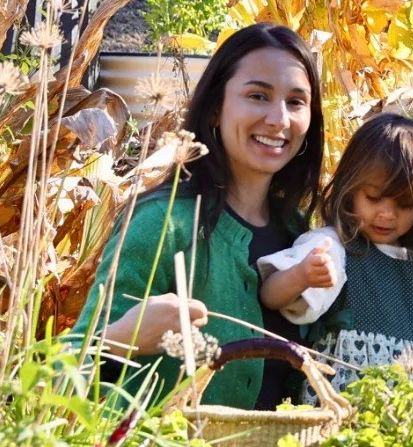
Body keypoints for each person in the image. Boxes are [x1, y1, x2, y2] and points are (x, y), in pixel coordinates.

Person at [71, 22, 325, 409]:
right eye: (258, 96)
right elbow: (66, 372)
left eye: (296, 102)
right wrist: (124, 338)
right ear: (215, 110)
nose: (279, 119)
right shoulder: (163, 225)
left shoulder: (302, 235)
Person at [254, 113, 413, 393]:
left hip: (404, 419)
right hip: (342, 410)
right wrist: (301, 276)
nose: (386, 214)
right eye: (374, 198)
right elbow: (270, 295)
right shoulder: (335, 247)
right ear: (350, 188)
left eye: (405, 204)